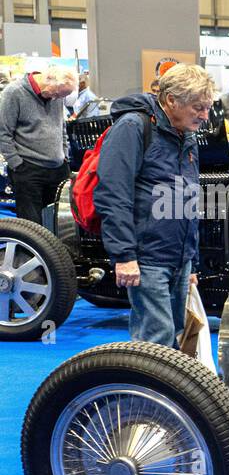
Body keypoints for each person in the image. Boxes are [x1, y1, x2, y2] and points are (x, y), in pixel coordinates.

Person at [94, 63, 213, 346]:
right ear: (171, 100)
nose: (205, 116)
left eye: (207, 107)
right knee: (155, 340)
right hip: (146, 257)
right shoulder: (133, 127)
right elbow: (113, 194)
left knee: (172, 338)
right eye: (198, 107)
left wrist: (191, 260)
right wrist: (124, 256)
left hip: (178, 257)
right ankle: (139, 390)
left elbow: (187, 197)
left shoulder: (187, 134)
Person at [0, 65, 77, 223]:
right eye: (56, 94)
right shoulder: (14, 93)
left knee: (59, 225)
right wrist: (17, 164)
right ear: (49, 81)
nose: (56, 99)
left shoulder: (56, 93)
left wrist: (64, 156)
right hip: (28, 170)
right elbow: (3, 132)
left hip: (58, 169)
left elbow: (60, 127)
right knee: (33, 228)